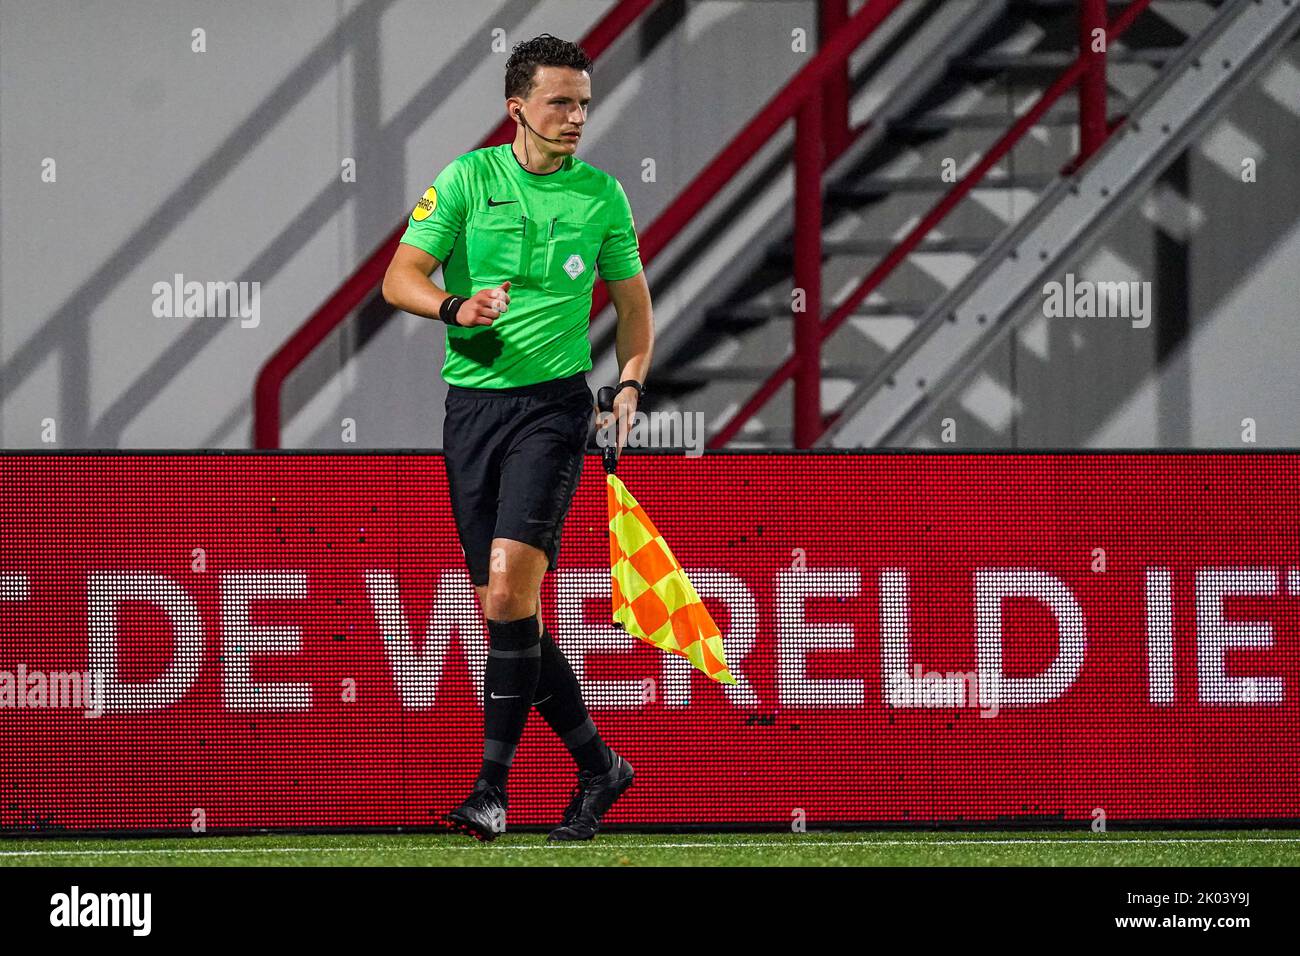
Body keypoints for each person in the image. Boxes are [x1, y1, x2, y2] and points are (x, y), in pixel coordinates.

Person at [381, 33, 653, 842]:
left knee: (507, 594)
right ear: (517, 109)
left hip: (554, 409)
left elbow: (635, 310)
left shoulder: (603, 196)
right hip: (472, 412)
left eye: (582, 103)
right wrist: (455, 308)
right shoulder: (469, 179)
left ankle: (491, 791)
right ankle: (600, 766)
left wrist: (630, 381)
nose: (575, 117)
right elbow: (399, 278)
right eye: (559, 103)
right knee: (510, 616)